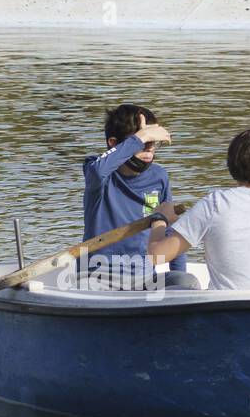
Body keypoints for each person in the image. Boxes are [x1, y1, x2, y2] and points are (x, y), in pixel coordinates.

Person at [146, 128, 250, 290]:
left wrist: (159, 219)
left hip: (227, 312)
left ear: (233, 167)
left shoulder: (215, 203)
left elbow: (156, 256)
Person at [81, 104, 197, 290]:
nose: (150, 148)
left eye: (153, 141)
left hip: (144, 278)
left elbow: (171, 232)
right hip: (98, 277)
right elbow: (98, 171)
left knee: (187, 281)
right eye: (144, 141)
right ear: (114, 143)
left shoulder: (159, 176)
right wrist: (140, 137)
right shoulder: (97, 171)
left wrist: (181, 284)